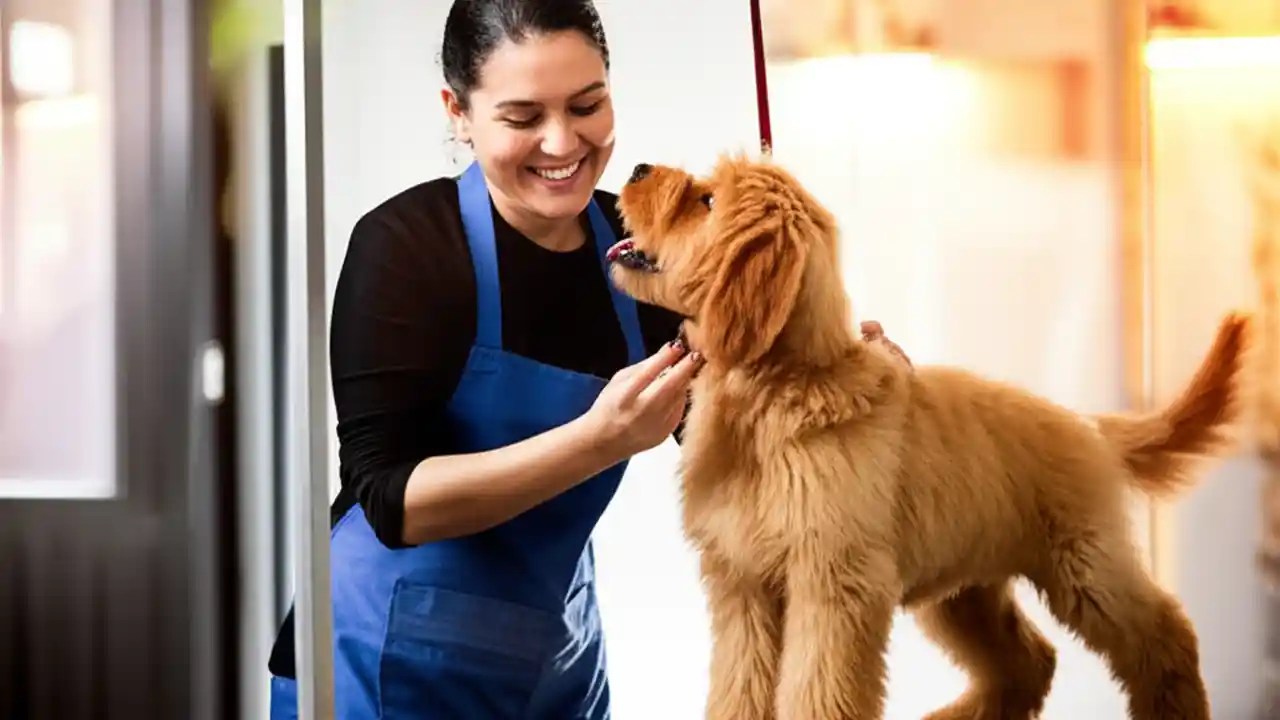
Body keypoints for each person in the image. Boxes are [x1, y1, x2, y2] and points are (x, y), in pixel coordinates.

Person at [266, 1, 910, 717]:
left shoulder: (640, 254)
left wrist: (864, 395)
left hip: (553, 657)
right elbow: (389, 500)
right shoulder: (407, 248)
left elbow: (744, 442)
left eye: (587, 104)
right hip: (379, 659)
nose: (561, 141)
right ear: (459, 110)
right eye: (521, 117)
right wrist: (596, 441)